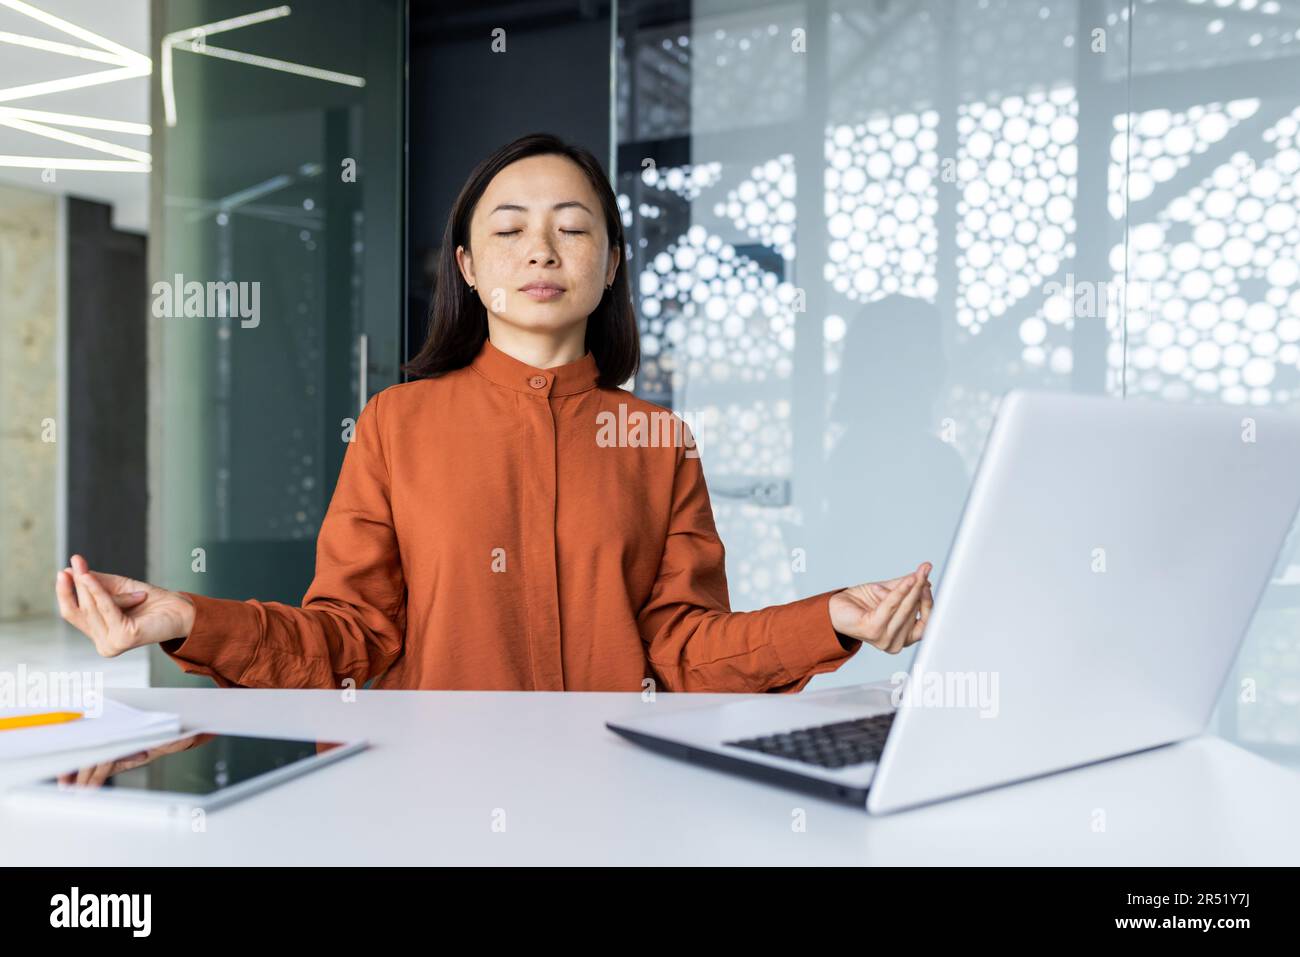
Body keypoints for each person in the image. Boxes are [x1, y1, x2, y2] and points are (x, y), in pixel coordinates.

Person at [55, 132, 933, 693]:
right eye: (509, 229)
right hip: (427, 798)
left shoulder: (659, 441)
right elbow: (344, 638)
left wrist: (832, 618)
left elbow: (686, 650)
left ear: (612, 262)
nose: (541, 249)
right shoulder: (397, 424)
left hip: (613, 795)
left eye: (572, 227)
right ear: (469, 268)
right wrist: (185, 619)